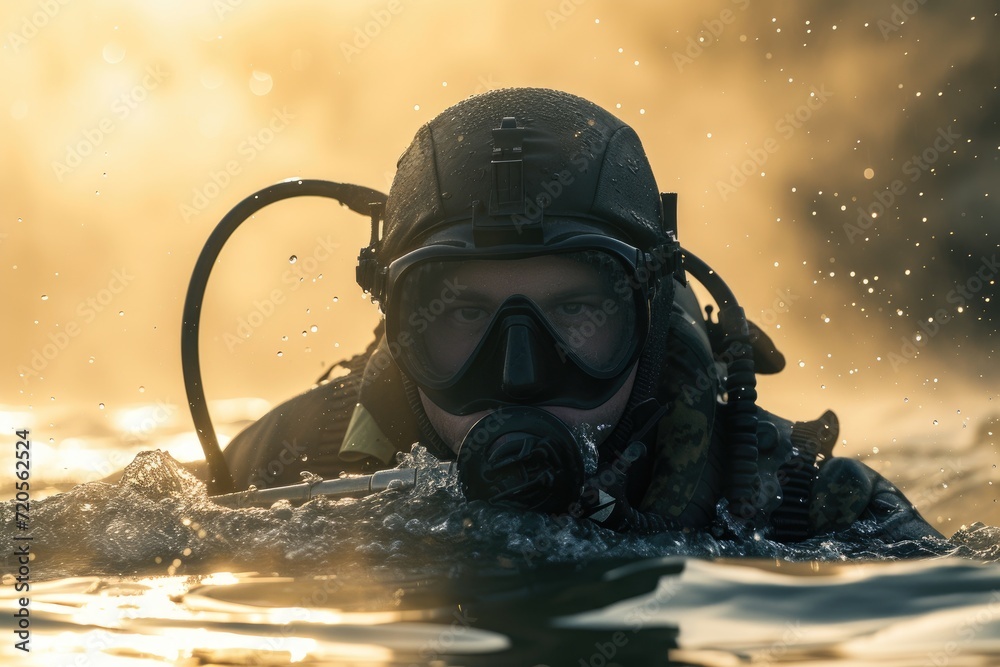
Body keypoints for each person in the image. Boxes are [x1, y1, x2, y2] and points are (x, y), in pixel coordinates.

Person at [221, 87, 942, 542]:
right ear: (402, 325)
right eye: (465, 312)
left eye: (575, 310)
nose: (519, 376)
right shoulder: (280, 473)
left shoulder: (813, 510)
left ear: (648, 319)